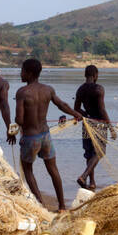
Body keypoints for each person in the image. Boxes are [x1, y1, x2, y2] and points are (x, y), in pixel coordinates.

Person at [15, 58, 85, 208]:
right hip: (46, 136)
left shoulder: (22, 93)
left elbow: (19, 120)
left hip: (30, 138)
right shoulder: (48, 89)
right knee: (53, 170)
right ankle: (62, 207)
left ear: (29, 73)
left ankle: (40, 203)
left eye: (22, 71)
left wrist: (13, 127)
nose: (20, 74)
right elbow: (62, 105)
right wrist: (75, 114)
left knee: (27, 170)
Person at [74, 65, 113, 190]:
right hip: (99, 123)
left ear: (85, 75)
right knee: (100, 151)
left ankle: (92, 182)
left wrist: (87, 115)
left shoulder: (80, 89)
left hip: (87, 124)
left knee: (89, 153)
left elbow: (76, 108)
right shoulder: (98, 89)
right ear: (96, 75)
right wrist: (111, 127)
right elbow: (102, 109)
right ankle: (84, 176)